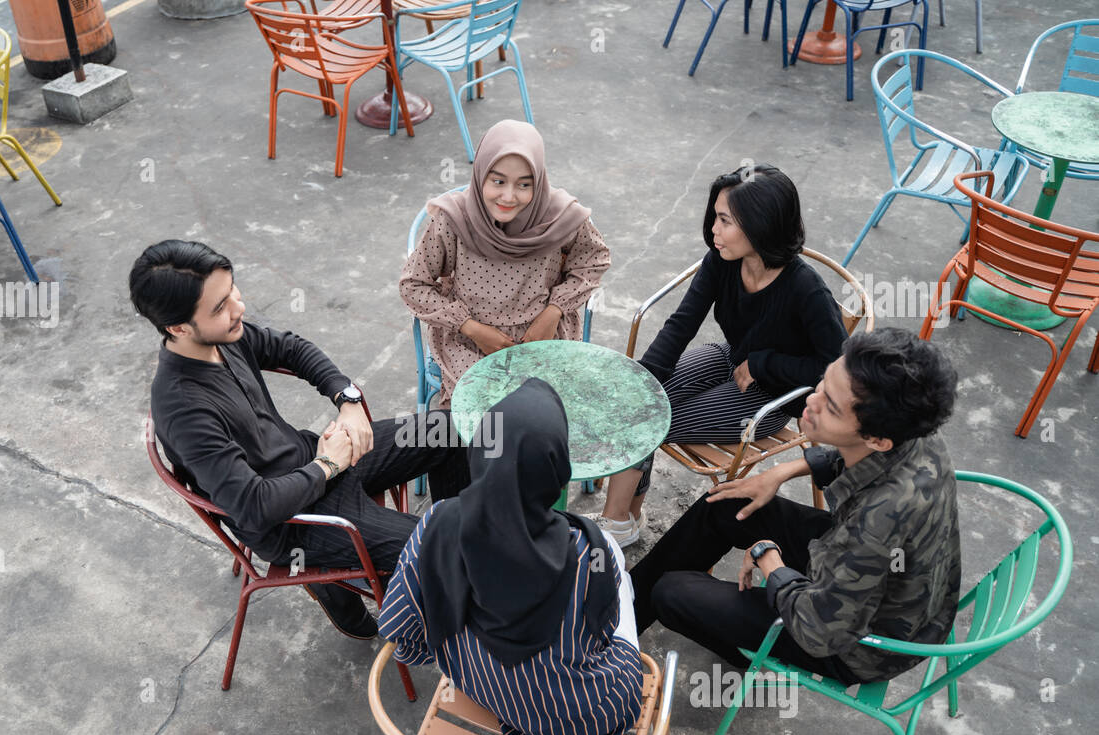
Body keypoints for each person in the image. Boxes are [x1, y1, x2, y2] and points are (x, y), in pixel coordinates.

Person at [134, 239, 468, 639]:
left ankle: (464, 525)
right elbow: (254, 507)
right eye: (220, 307)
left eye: (232, 291)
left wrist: (346, 399)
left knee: (452, 427)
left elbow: (291, 348)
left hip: (318, 458)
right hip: (292, 519)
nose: (238, 308)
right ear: (178, 327)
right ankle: (350, 583)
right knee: (446, 547)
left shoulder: (222, 338)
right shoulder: (184, 409)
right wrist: (328, 466)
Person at [630, 328, 961, 686]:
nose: (812, 401)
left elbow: (818, 631)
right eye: (823, 383)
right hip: (876, 577)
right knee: (730, 501)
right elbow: (855, 456)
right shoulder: (915, 427)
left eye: (831, 407)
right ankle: (621, 612)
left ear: (877, 438)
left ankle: (737, 648)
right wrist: (784, 470)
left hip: (860, 642)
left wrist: (768, 558)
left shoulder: (877, 521)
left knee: (671, 593)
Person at [378, 379, 643, 735]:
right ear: (556, 470)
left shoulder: (437, 522)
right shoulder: (588, 553)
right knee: (618, 575)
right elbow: (602, 636)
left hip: (476, 683)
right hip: (573, 716)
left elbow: (403, 633)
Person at [589, 163, 846, 547]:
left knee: (651, 422)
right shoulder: (721, 261)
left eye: (725, 221)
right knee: (640, 402)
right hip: (731, 358)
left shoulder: (806, 290)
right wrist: (641, 378)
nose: (713, 229)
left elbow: (836, 371)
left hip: (776, 395)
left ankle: (615, 527)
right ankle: (624, 520)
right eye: (715, 217)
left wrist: (763, 364)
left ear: (760, 224)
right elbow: (682, 323)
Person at [399, 119, 610, 409]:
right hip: (469, 341)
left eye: (524, 184)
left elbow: (593, 259)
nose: (509, 197)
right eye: (497, 181)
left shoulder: (559, 218)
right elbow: (413, 284)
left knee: (545, 416)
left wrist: (553, 312)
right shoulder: (454, 221)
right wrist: (470, 328)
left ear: (539, 180)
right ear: (480, 175)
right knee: (485, 421)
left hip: (542, 335)